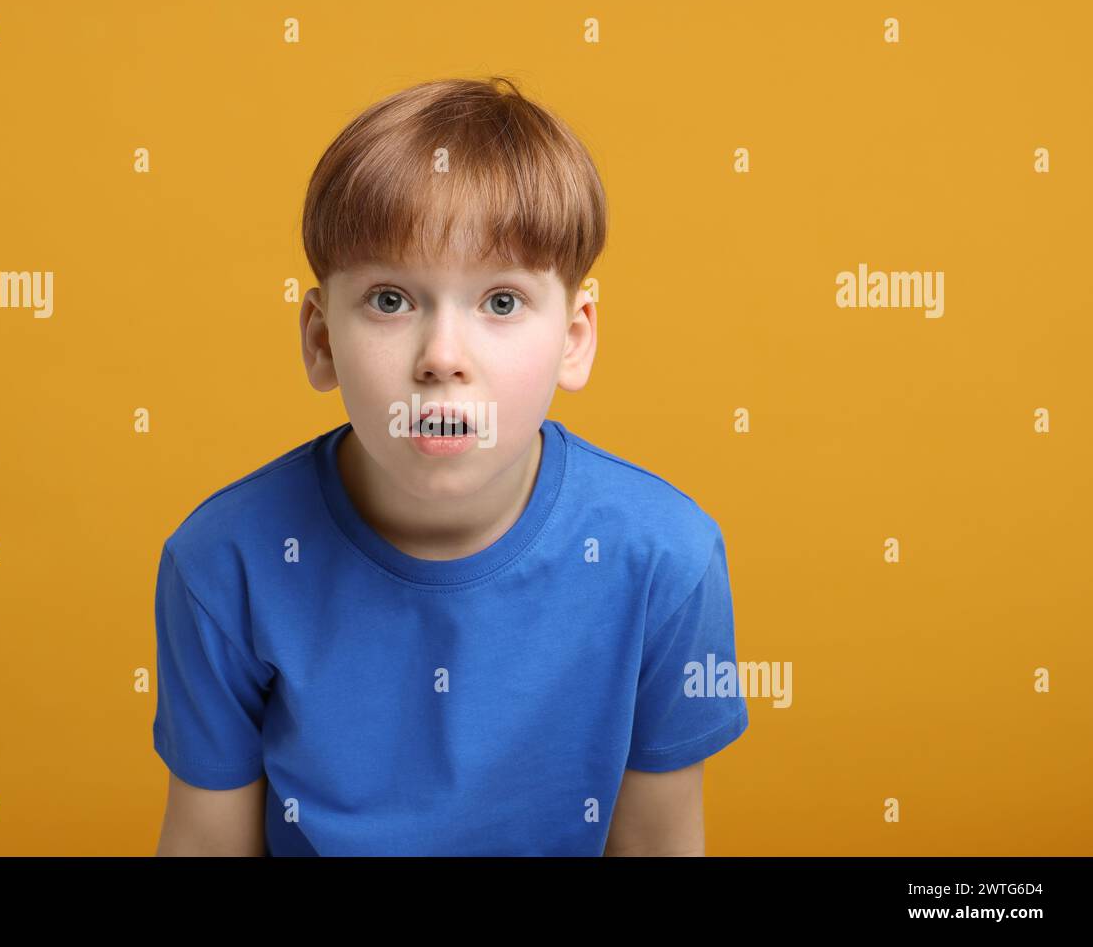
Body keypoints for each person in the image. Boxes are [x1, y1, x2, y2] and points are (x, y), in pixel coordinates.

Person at [153, 76, 748, 856]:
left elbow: (658, 846)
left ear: (575, 337)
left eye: (500, 302)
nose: (441, 358)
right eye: (391, 300)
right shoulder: (222, 562)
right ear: (321, 339)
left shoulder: (668, 560)